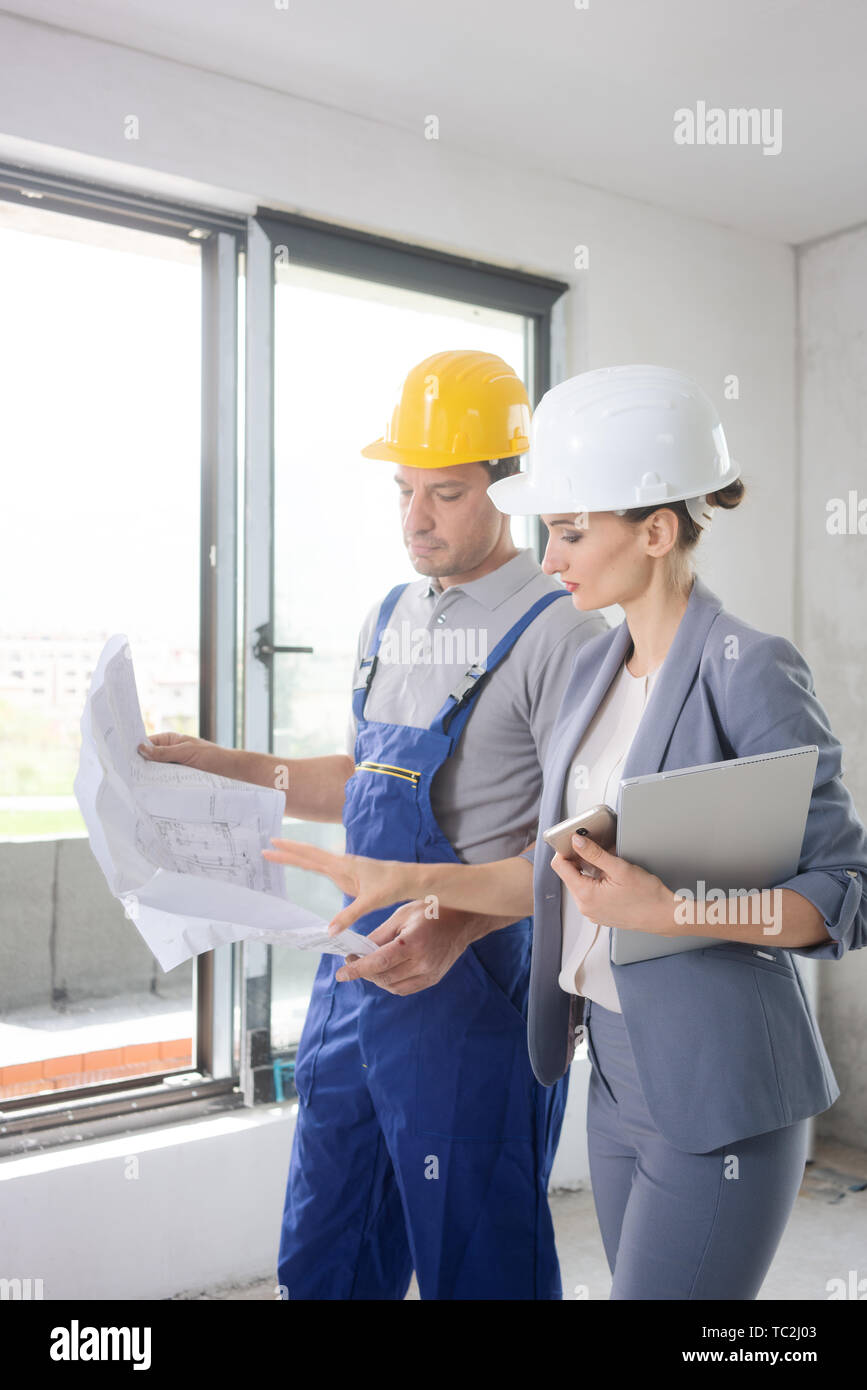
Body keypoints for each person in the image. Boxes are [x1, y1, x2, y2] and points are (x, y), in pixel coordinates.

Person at [267, 364, 867, 1300]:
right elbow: (564, 875)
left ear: (656, 531)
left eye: (572, 531)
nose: (549, 559)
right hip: (612, 1070)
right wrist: (438, 906)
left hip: (719, 1079)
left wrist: (669, 907)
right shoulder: (598, 675)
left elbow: (845, 896)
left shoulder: (745, 667)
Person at [141, 348, 608, 1300]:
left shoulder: (562, 629)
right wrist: (219, 764)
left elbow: (583, 844)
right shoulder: (391, 615)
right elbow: (363, 776)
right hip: (354, 975)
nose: (414, 519)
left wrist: (452, 924)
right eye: (403, 491)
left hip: (474, 991)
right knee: (326, 1238)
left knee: (477, 1258)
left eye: (444, 493)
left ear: (509, 490)